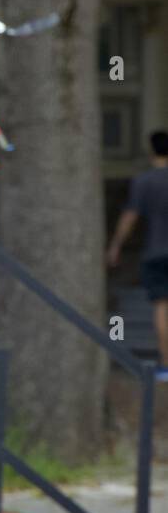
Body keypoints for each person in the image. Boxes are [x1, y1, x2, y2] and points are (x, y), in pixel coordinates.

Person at [107, 129, 168, 382]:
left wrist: (115, 246)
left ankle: (166, 366)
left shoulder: (144, 181)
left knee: (162, 308)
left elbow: (130, 216)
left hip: (157, 251)